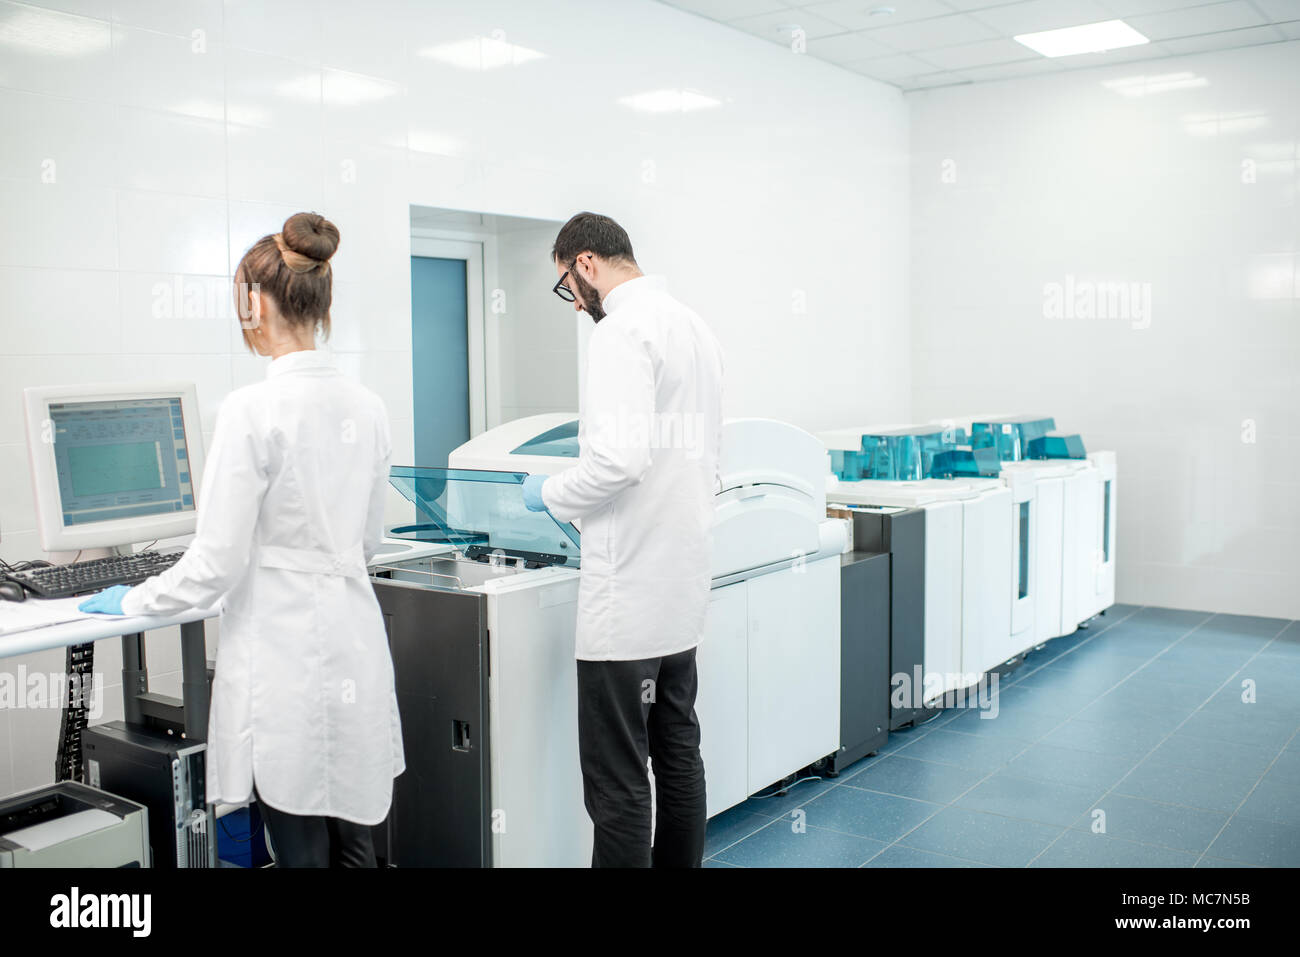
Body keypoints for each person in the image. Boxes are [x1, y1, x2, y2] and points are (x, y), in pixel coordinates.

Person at [80, 212, 404, 868]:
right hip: (354, 645)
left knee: (300, 843)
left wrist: (135, 601)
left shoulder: (250, 411)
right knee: (355, 841)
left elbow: (213, 567)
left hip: (284, 664)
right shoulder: (367, 406)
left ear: (253, 304)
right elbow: (367, 541)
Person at [521, 212, 724, 867]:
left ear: (585, 264)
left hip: (626, 601)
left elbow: (618, 463)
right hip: (680, 591)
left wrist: (547, 494)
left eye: (567, 287)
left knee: (618, 784)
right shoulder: (694, 327)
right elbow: (701, 459)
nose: (574, 303)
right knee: (678, 756)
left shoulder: (617, 332)